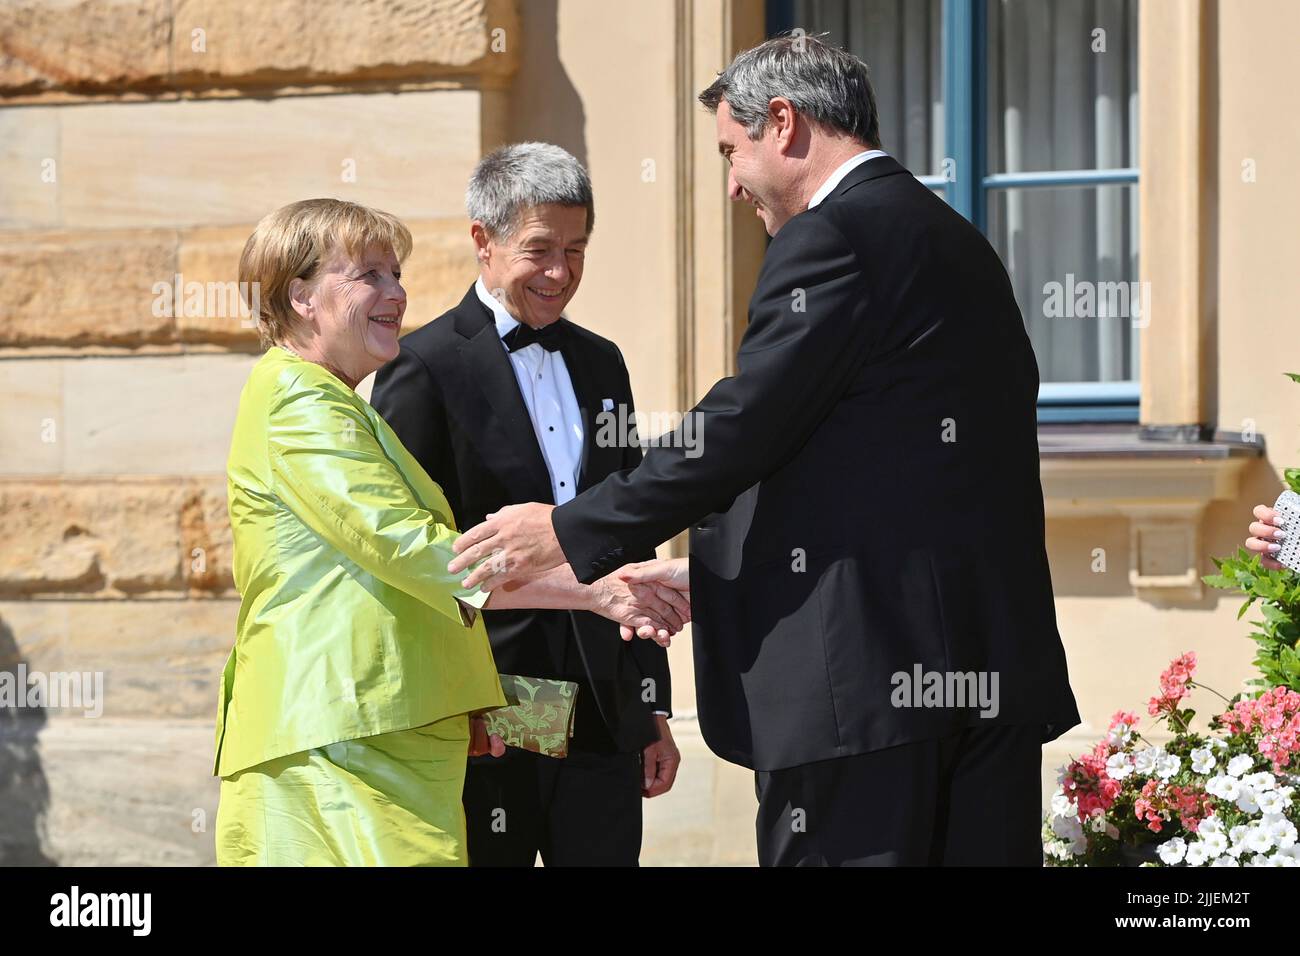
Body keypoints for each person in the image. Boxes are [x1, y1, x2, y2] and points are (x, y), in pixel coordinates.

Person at [448, 34, 1081, 866]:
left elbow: (744, 425)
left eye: (729, 152)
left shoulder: (833, 237)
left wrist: (569, 529)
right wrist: (713, 574)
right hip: (979, 677)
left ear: (782, 123)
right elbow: (871, 467)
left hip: (861, 695)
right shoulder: (955, 239)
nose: (734, 184)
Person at [213, 198, 684, 866]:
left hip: (403, 729)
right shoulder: (300, 400)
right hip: (336, 738)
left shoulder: (337, 404)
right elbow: (421, 555)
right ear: (303, 296)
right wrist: (597, 592)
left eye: (395, 273)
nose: (396, 292)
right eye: (369, 274)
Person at [371, 144, 681, 867]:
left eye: (576, 250)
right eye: (540, 249)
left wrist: (653, 708)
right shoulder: (422, 367)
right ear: (483, 239)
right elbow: (417, 559)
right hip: (493, 708)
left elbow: (633, 531)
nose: (560, 272)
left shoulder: (603, 361)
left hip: (608, 706)